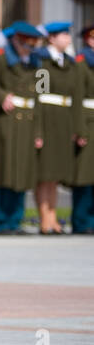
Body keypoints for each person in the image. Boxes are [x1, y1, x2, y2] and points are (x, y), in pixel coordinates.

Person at [0, 22, 43, 235]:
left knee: (22, 174)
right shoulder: (0, 59)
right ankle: (1, 221)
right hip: (7, 121)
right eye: (25, 44)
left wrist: (38, 132)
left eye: (32, 44)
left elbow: (39, 97)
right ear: (16, 41)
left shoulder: (36, 63)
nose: (29, 48)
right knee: (5, 171)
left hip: (27, 121)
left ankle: (16, 220)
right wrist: (1, 97)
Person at [33, 22, 81, 235]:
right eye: (63, 35)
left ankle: (53, 217)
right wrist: (39, 130)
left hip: (63, 118)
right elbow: (40, 95)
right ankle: (45, 218)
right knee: (45, 172)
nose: (67, 39)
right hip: (48, 118)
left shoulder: (69, 63)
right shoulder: (42, 62)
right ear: (51, 38)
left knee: (55, 174)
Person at [73, 24, 94, 234]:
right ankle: (82, 222)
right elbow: (77, 96)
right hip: (88, 121)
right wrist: (80, 129)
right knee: (85, 176)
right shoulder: (82, 63)